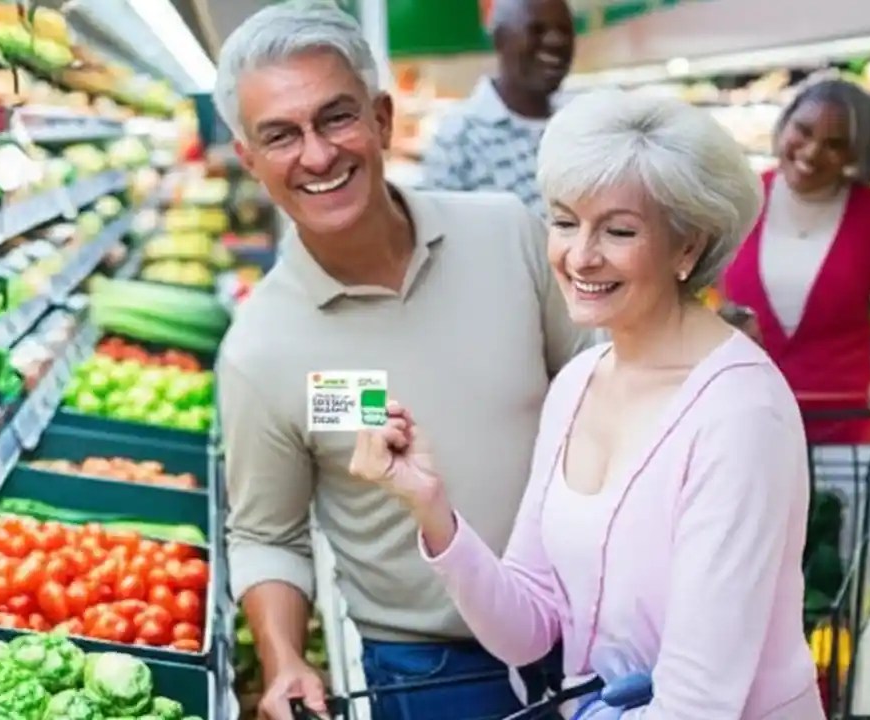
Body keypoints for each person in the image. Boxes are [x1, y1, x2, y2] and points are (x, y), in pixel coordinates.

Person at [350, 90, 824, 719]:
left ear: (688, 246)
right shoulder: (578, 383)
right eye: (565, 220)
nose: (580, 256)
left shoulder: (739, 415)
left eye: (619, 231)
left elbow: (698, 703)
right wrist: (431, 508)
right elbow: (529, 627)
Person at [210, 2, 597, 718]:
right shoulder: (260, 351)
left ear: (382, 119)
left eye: (336, 117)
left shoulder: (508, 234)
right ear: (250, 161)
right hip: (433, 673)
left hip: (591, 629)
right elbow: (267, 533)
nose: (319, 155)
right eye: (281, 135)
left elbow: (603, 385)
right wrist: (284, 656)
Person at [721, 76, 870, 444]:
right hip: (744, 422)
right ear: (783, 124)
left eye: (835, 144)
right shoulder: (741, 199)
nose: (811, 152)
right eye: (802, 130)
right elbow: (694, 295)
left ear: (857, 154)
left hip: (841, 430)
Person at [419, 0, 575, 216]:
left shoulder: (583, 125)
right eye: (537, 30)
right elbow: (440, 236)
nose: (556, 41)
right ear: (500, 39)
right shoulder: (460, 138)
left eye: (565, 30)